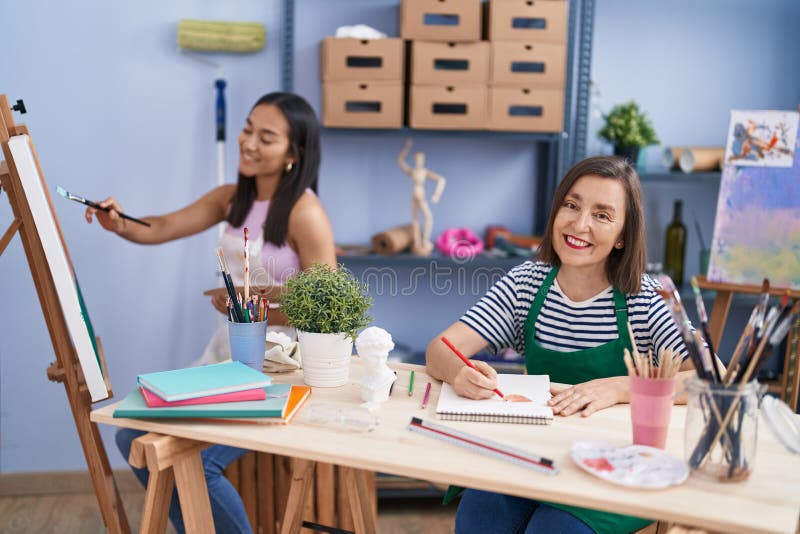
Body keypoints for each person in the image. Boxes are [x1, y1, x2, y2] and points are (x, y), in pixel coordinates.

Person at [425, 156, 722, 534]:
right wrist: (459, 372)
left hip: (619, 469)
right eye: (572, 205)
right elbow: (440, 348)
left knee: (554, 530)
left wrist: (616, 388)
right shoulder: (527, 283)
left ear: (622, 236)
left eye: (602, 215)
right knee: (478, 516)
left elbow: (715, 378)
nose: (580, 224)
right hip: (538, 454)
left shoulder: (644, 298)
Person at [85, 92, 336, 534]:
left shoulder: (305, 211)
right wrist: (120, 221)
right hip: (227, 356)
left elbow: (326, 306)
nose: (249, 142)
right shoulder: (230, 199)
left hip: (281, 368)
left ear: (294, 154)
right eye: (247, 128)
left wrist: (249, 307)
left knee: (195, 461)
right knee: (130, 437)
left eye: (267, 137)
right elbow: (160, 226)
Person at [397, 139, 446, 255]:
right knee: (417, 219)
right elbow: (400, 160)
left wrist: (437, 194)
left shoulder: (424, 172)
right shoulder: (413, 171)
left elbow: (441, 179)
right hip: (416, 195)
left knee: (427, 218)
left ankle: (424, 241)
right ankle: (419, 242)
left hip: (420, 194)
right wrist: (406, 148)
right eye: (417, 159)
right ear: (414, 160)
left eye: (421, 159)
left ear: (423, 160)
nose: (419, 161)